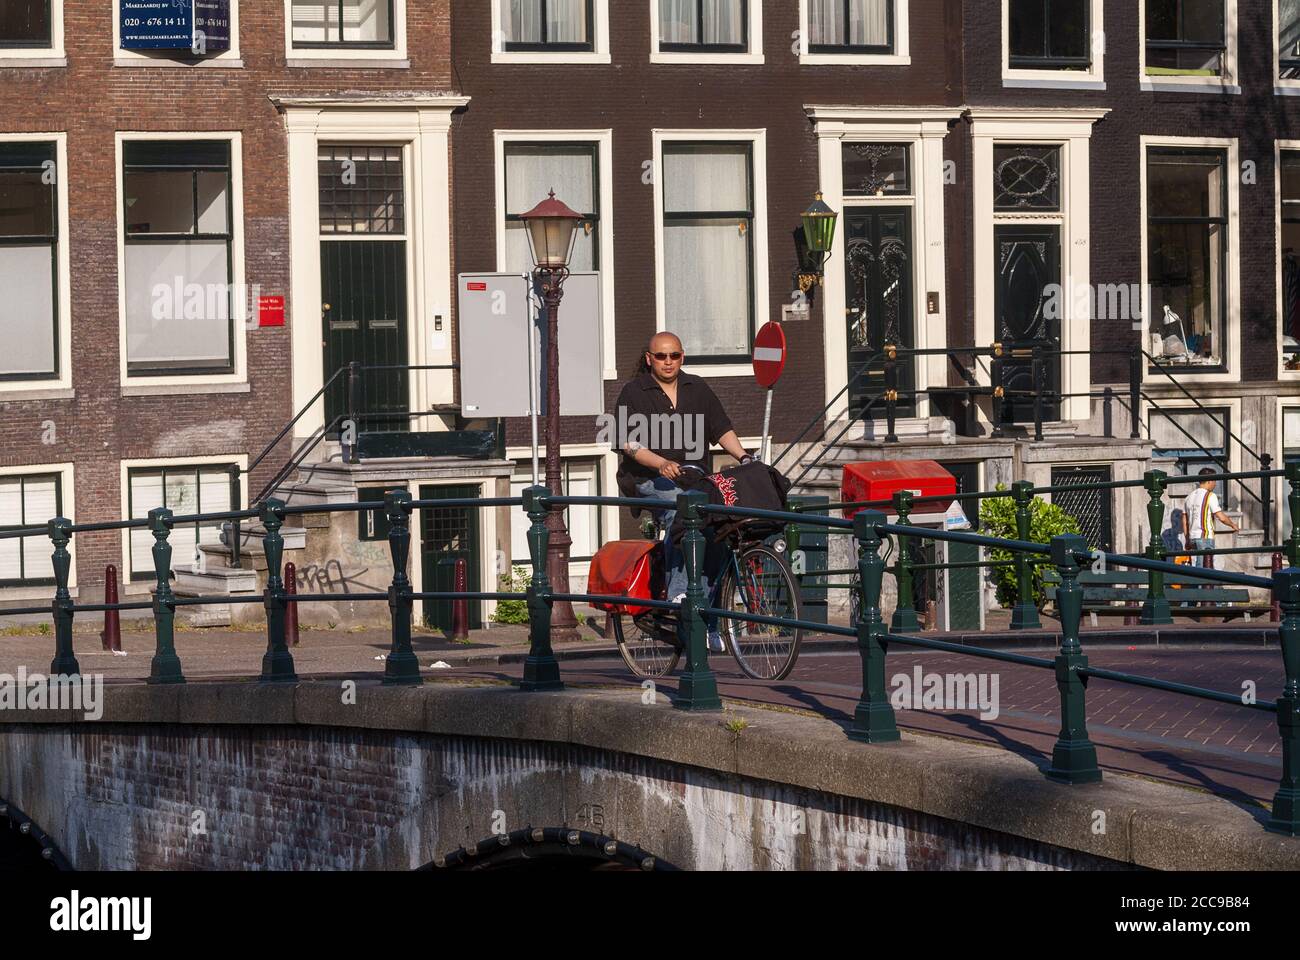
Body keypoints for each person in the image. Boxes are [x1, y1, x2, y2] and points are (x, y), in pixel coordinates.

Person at [614, 332, 753, 650]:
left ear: (682, 357)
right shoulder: (634, 392)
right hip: (648, 481)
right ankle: (679, 591)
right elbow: (627, 442)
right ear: (649, 358)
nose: (667, 362)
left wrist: (745, 457)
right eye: (661, 356)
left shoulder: (697, 388)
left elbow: (721, 428)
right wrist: (660, 463)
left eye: (673, 356)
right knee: (682, 510)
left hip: (694, 478)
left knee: (720, 525)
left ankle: (711, 621)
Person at [1182, 468, 1239, 569]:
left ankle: (1197, 584)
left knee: (1197, 566)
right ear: (1209, 481)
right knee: (1205, 567)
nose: (1215, 484)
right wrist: (1233, 525)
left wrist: (1187, 539)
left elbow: (1184, 520)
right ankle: (1202, 584)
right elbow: (1221, 517)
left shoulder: (1189, 497)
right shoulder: (1210, 496)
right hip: (1204, 537)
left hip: (1192, 538)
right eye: (1215, 481)